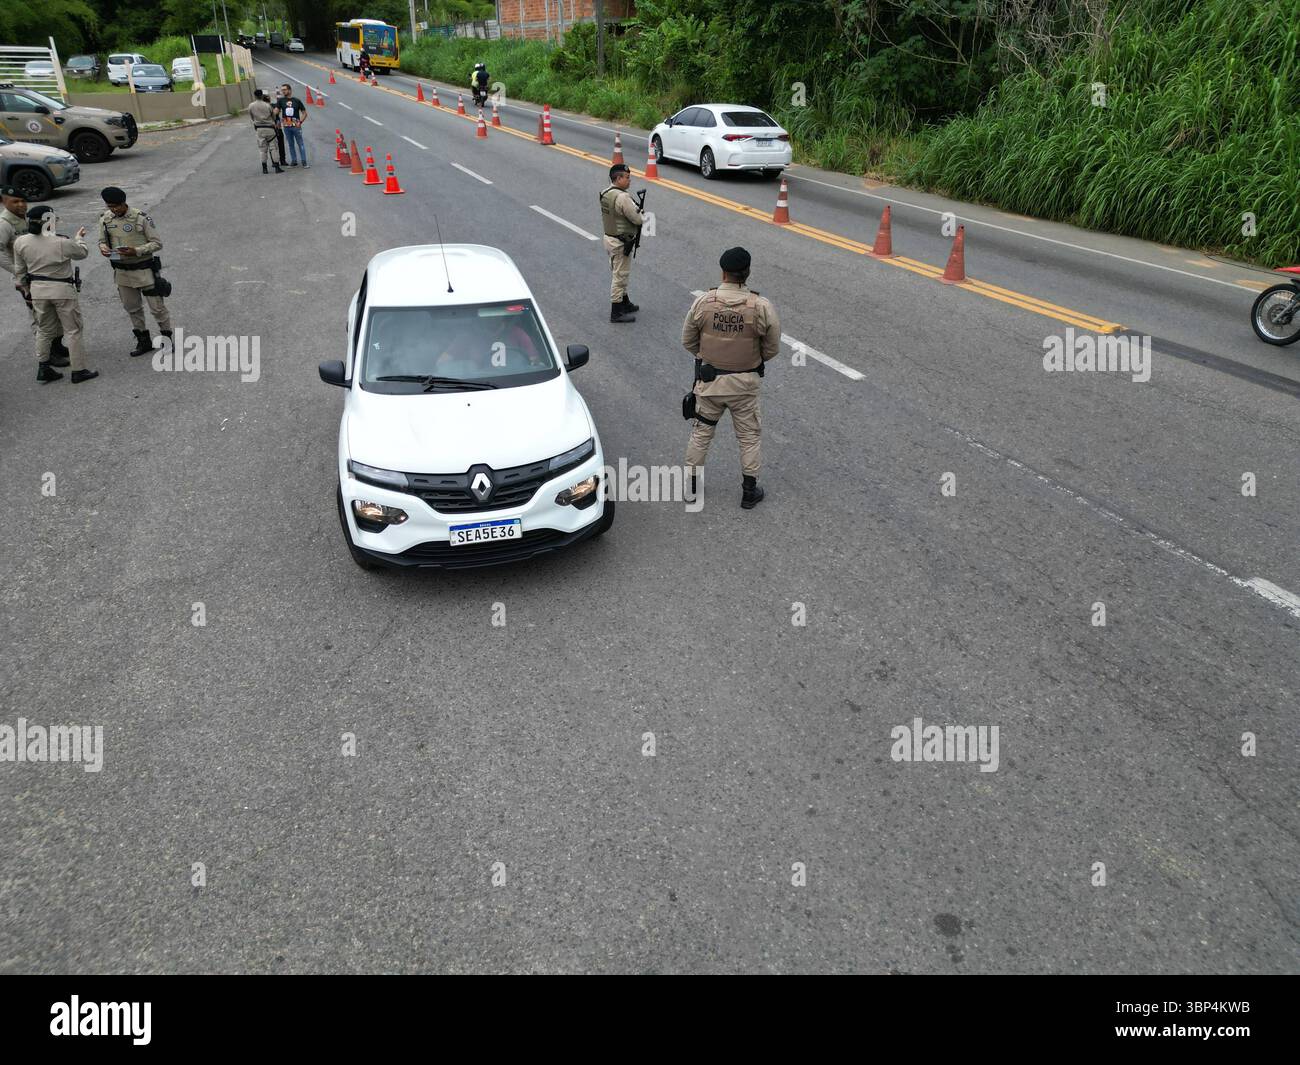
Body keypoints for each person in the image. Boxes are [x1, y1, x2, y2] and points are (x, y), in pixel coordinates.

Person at [681, 247, 780, 509]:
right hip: (745, 386)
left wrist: (709, 356)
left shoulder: (704, 302)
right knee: (748, 436)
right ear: (746, 273)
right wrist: (749, 361)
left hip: (710, 383)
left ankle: (691, 488)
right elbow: (772, 348)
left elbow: (688, 340)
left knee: (701, 433)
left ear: (723, 272)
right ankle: (749, 492)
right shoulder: (760, 306)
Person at [12, 205, 96, 384]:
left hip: (38, 291)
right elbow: (82, 253)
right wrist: (80, 239)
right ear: (49, 222)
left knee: (44, 330)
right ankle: (78, 370)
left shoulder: (20, 242)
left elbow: (19, 271)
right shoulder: (61, 242)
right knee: (73, 330)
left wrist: (27, 291)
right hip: (62, 290)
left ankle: (44, 367)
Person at [96, 186, 172, 357]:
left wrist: (136, 250)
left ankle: (167, 340)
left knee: (157, 308)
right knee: (132, 308)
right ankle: (143, 341)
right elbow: (102, 240)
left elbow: (157, 243)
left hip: (144, 269)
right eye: (110, 207)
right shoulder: (105, 220)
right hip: (122, 272)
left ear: (124, 203)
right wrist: (103, 248)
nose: (114, 210)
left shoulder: (140, 218)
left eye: (117, 206)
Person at [0, 185, 69, 365]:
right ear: (3, 201)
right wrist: (18, 271)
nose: (21, 205)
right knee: (41, 318)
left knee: (54, 313)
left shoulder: (26, 218)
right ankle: (47, 356)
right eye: (15, 201)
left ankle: (57, 346)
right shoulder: (5, 224)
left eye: (23, 201)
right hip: (28, 281)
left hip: (44, 276)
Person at [598, 163, 645, 323]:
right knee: (620, 276)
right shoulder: (623, 197)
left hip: (609, 238)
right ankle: (616, 312)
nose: (629, 181)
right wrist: (642, 214)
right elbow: (637, 218)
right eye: (626, 178)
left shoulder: (606, 193)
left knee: (619, 272)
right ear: (618, 178)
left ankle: (625, 303)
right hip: (620, 242)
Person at [275, 83, 310, 168]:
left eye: (284, 89)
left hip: (296, 126)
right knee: (290, 144)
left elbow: (304, 113)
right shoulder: (280, 101)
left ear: (289, 90)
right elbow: (276, 111)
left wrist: (300, 122)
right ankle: (294, 161)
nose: (283, 91)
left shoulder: (296, 100)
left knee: (300, 143)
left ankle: (304, 161)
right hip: (286, 126)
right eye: (282, 90)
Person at [250, 90, 283, 174]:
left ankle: (264, 168)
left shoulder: (251, 106)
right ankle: (277, 167)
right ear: (262, 96)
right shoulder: (267, 105)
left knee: (262, 149)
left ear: (254, 96)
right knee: (273, 148)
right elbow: (274, 117)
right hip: (270, 129)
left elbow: (252, 117)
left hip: (259, 129)